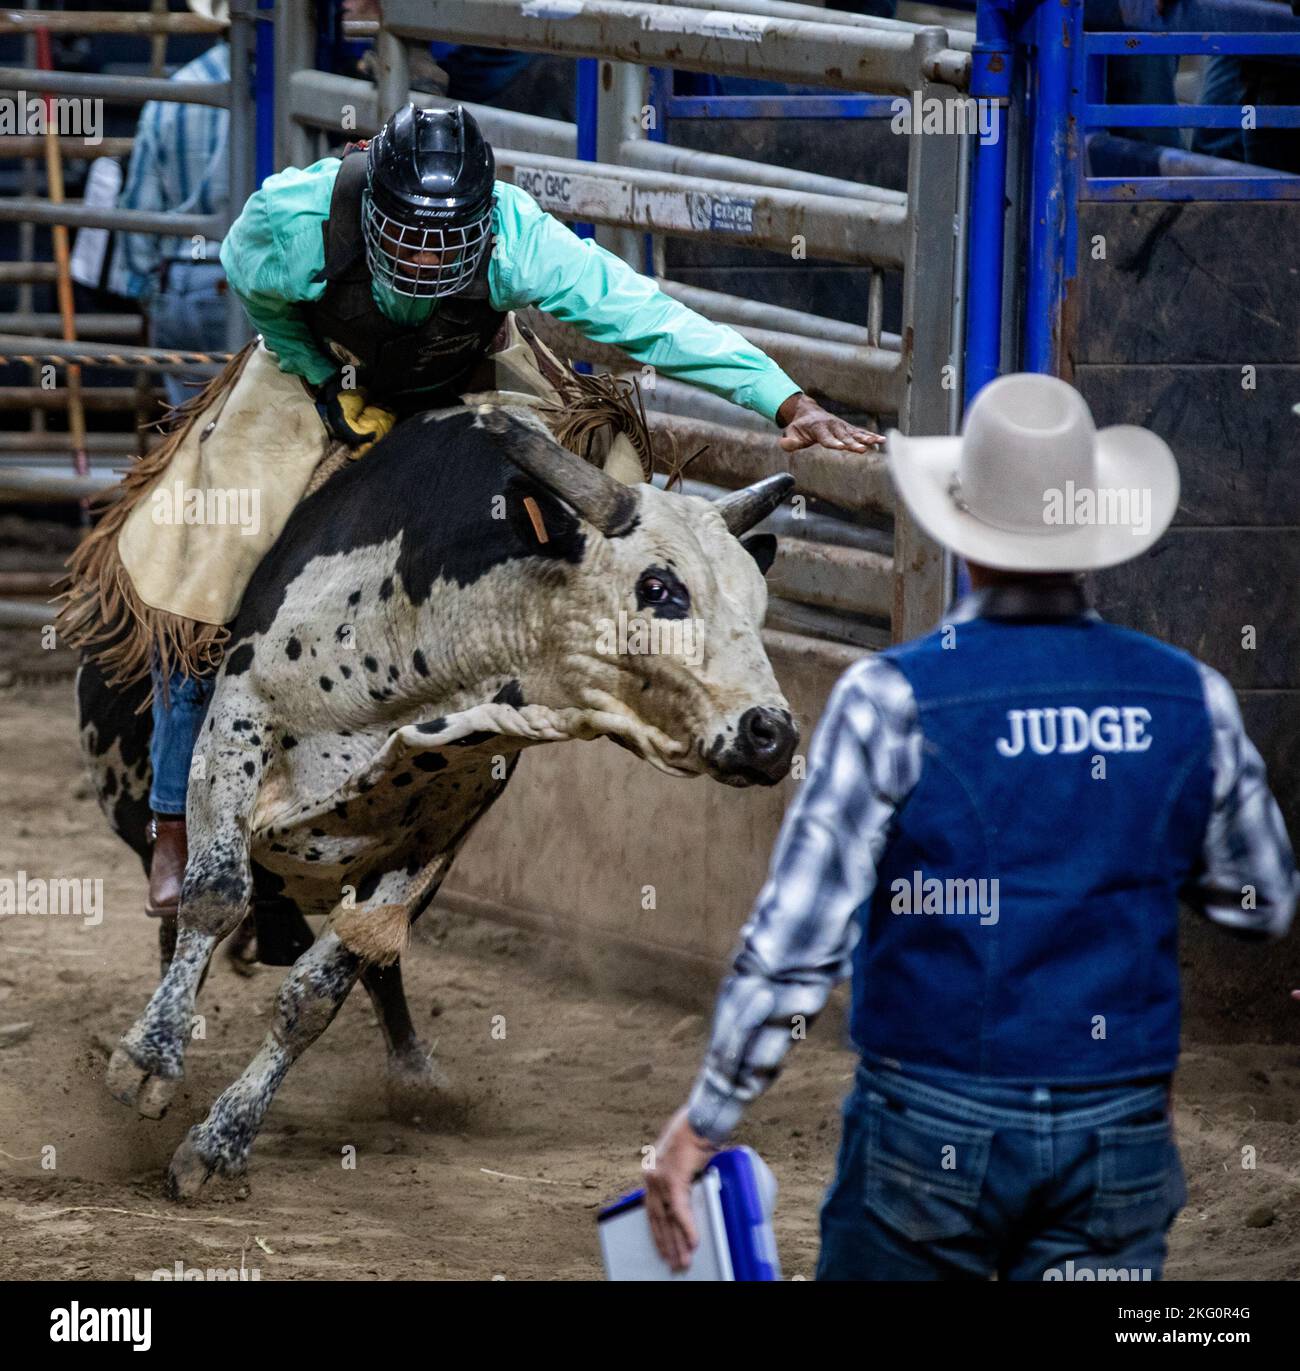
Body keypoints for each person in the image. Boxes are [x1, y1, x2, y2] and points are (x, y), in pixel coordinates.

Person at [141, 101, 879, 918]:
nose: (424, 258)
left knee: (618, 491)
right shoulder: (292, 221)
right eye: (408, 236)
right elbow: (256, 285)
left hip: (465, 363)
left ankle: (586, 686)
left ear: (479, 228)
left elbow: (649, 318)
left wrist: (781, 399)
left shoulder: (519, 239)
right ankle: (173, 814)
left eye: (445, 241)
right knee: (206, 561)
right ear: (375, 214)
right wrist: (317, 372)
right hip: (323, 363)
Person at [644, 373, 1297, 1281]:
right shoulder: (1192, 698)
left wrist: (702, 1121)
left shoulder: (892, 699)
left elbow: (799, 943)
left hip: (933, 1119)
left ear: (965, 537)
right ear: (1090, 532)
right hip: (1117, 1126)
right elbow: (1262, 899)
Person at [110, 0, 231, 411]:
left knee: (187, 429)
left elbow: (139, 209)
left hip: (180, 279)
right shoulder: (291, 91)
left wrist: (145, 287)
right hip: (252, 281)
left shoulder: (175, 90)